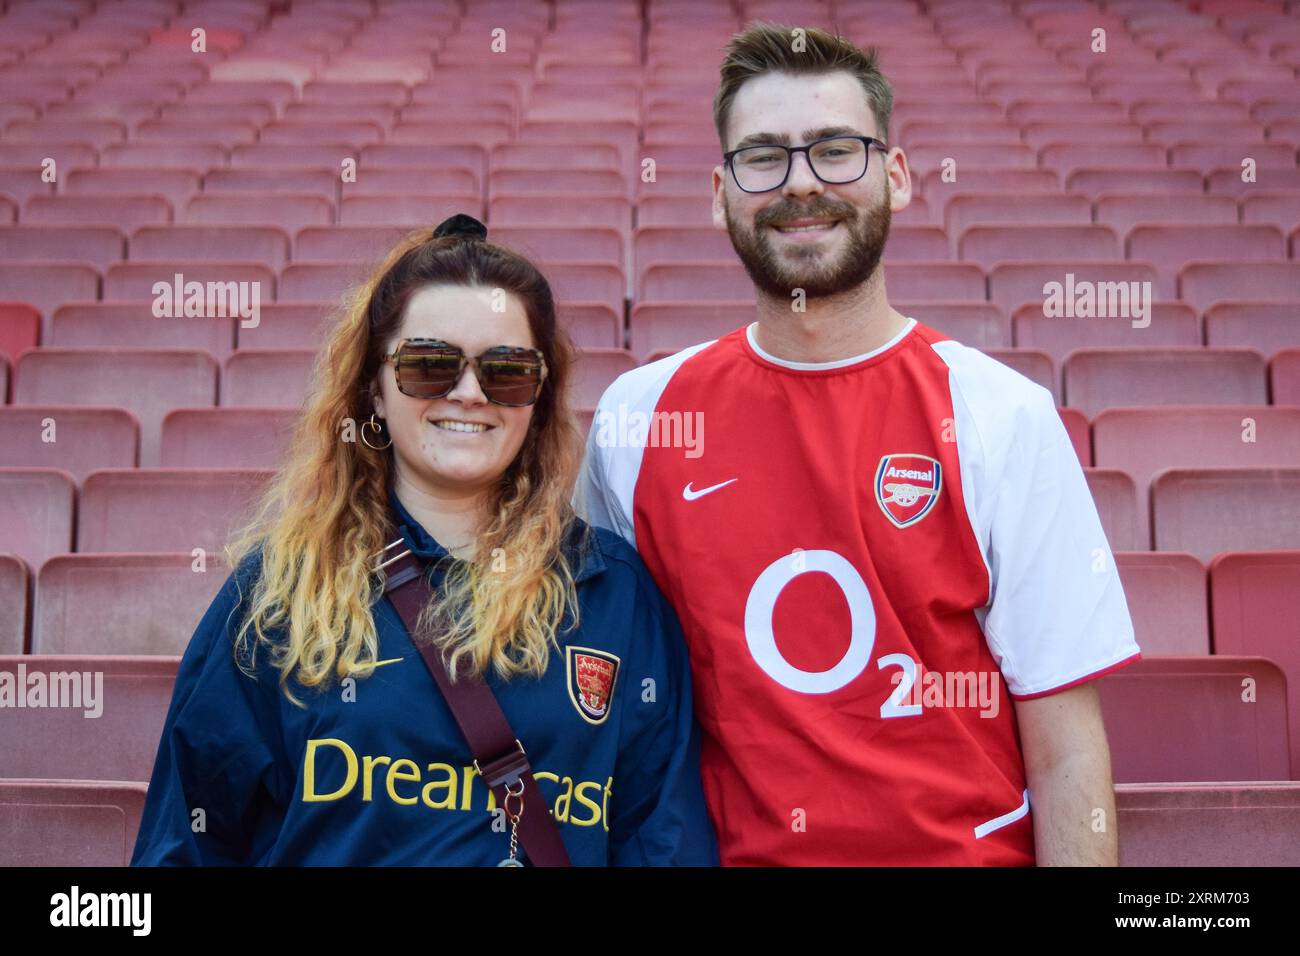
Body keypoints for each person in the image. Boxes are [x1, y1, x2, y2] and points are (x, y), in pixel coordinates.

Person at [577, 23, 1141, 866]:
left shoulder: (1003, 415)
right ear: (720, 192)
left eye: (836, 150)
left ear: (897, 175)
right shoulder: (639, 419)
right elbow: (608, 707)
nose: (801, 183)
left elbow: (1064, 752)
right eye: (763, 157)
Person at [132, 214, 719, 866]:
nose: (469, 393)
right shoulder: (280, 590)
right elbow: (187, 846)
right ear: (374, 392)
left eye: (507, 371)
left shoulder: (616, 595)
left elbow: (661, 846)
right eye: (430, 364)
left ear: (539, 398)